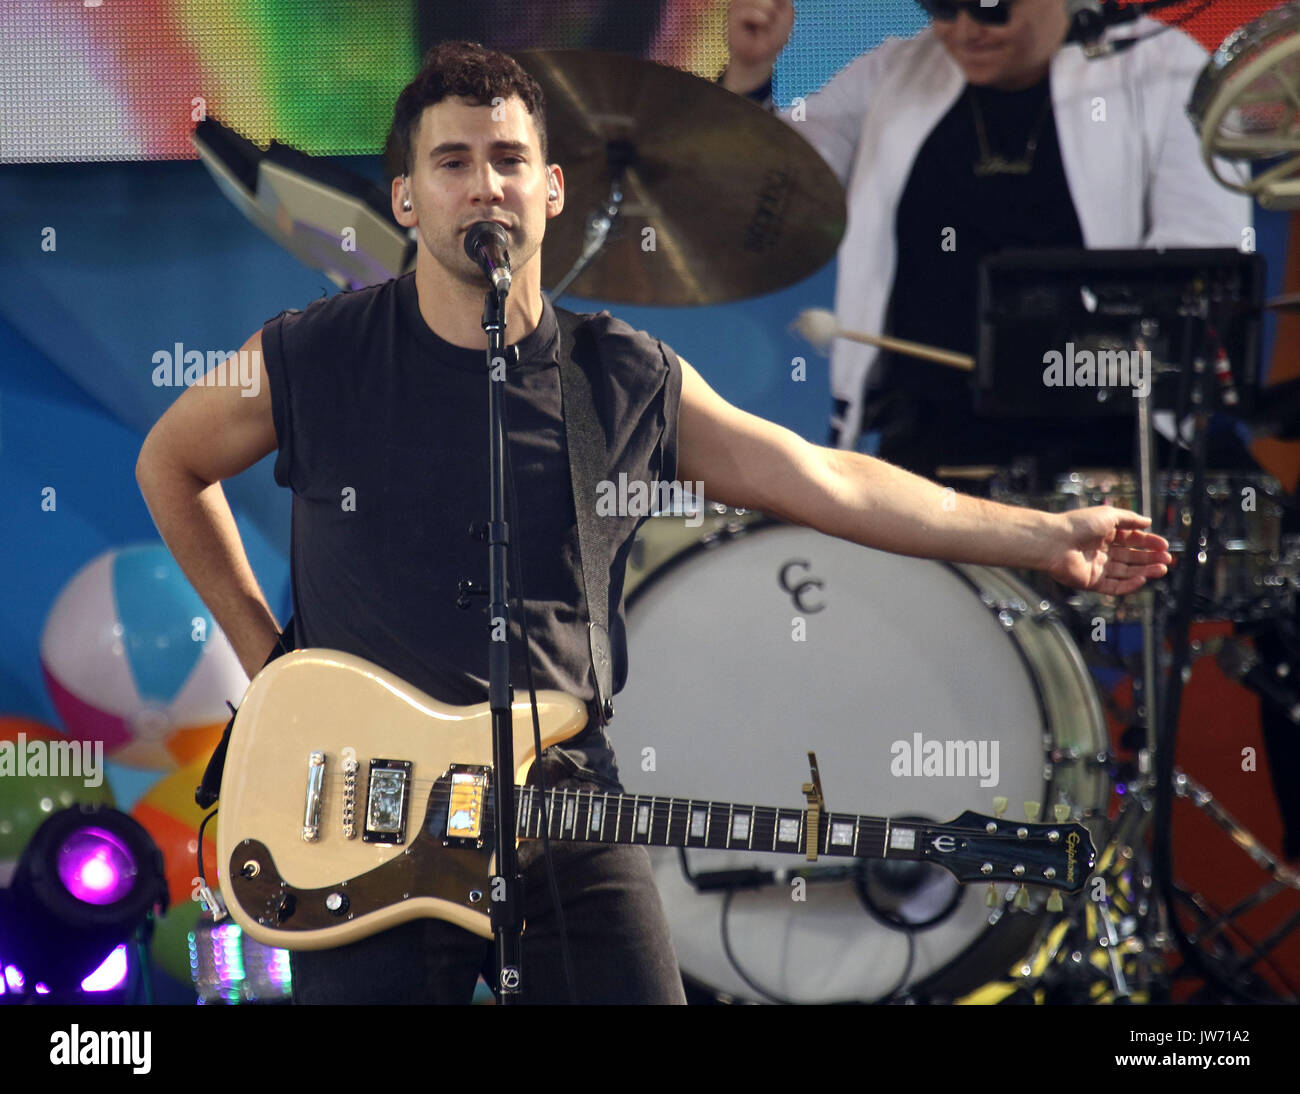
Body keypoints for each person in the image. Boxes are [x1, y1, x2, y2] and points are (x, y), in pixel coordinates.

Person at [135, 40, 1171, 1005]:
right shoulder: (312, 353)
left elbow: (828, 481)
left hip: (561, 798)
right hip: (365, 817)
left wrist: (1041, 535)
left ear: (552, 190)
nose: (484, 184)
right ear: (405, 198)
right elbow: (170, 462)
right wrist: (269, 661)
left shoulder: (620, 375)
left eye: (508, 160)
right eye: (452, 162)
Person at [724, 0, 1253, 479]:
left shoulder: (1166, 68)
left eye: (990, 9)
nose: (964, 30)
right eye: (943, 7)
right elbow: (766, 195)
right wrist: (750, 71)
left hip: (1113, 447)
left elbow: (1198, 273)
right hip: (929, 448)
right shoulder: (894, 70)